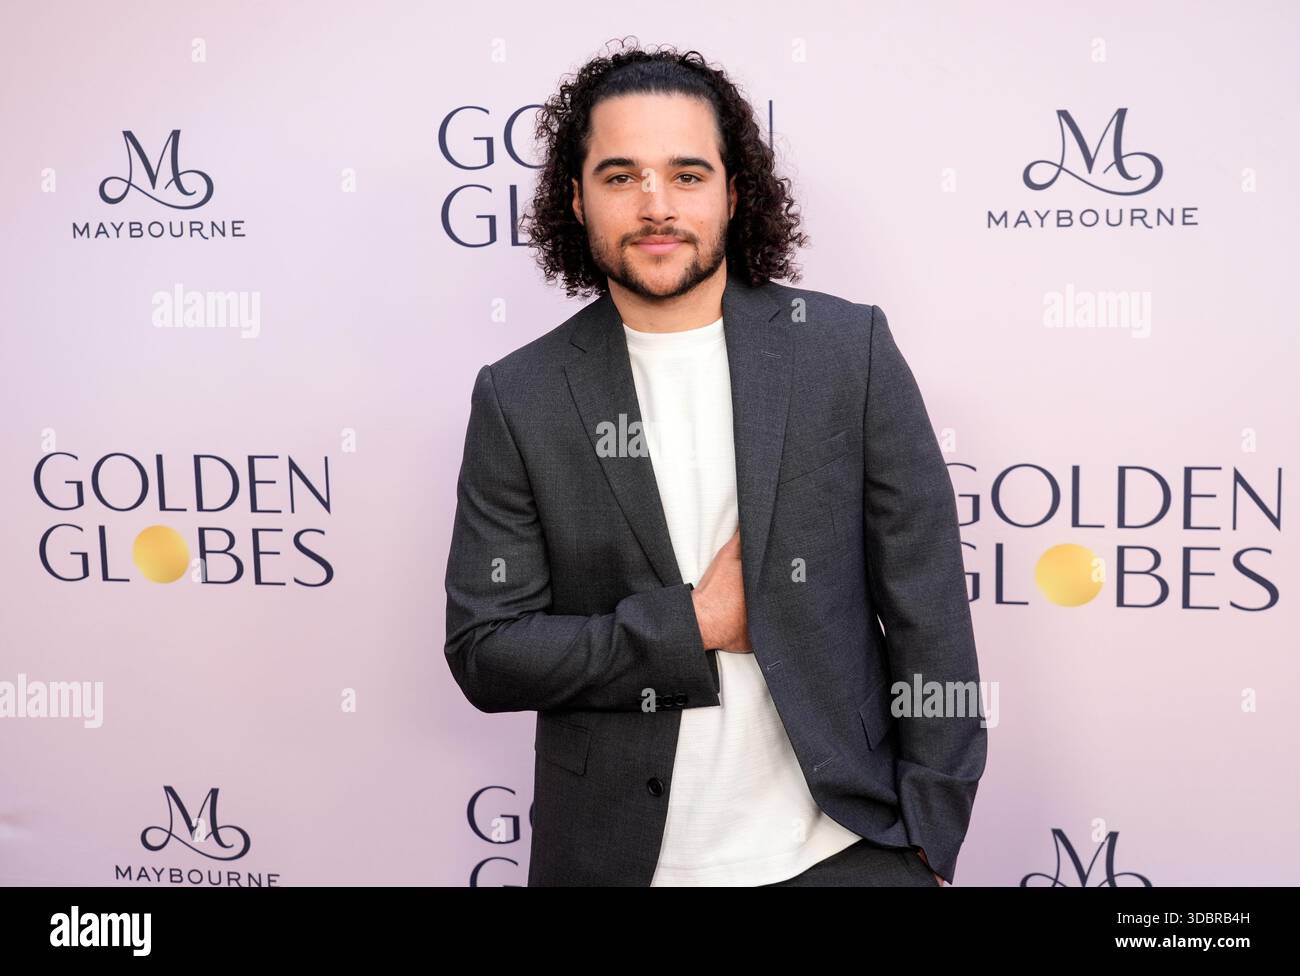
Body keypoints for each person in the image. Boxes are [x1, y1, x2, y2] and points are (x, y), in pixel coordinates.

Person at [443, 41, 986, 886]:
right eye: (621, 176)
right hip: (619, 861)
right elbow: (487, 649)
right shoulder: (521, 396)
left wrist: (928, 831)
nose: (656, 204)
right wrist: (688, 626)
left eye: (687, 175)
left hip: (846, 848)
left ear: (735, 193)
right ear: (576, 200)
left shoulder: (847, 352)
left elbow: (930, 610)